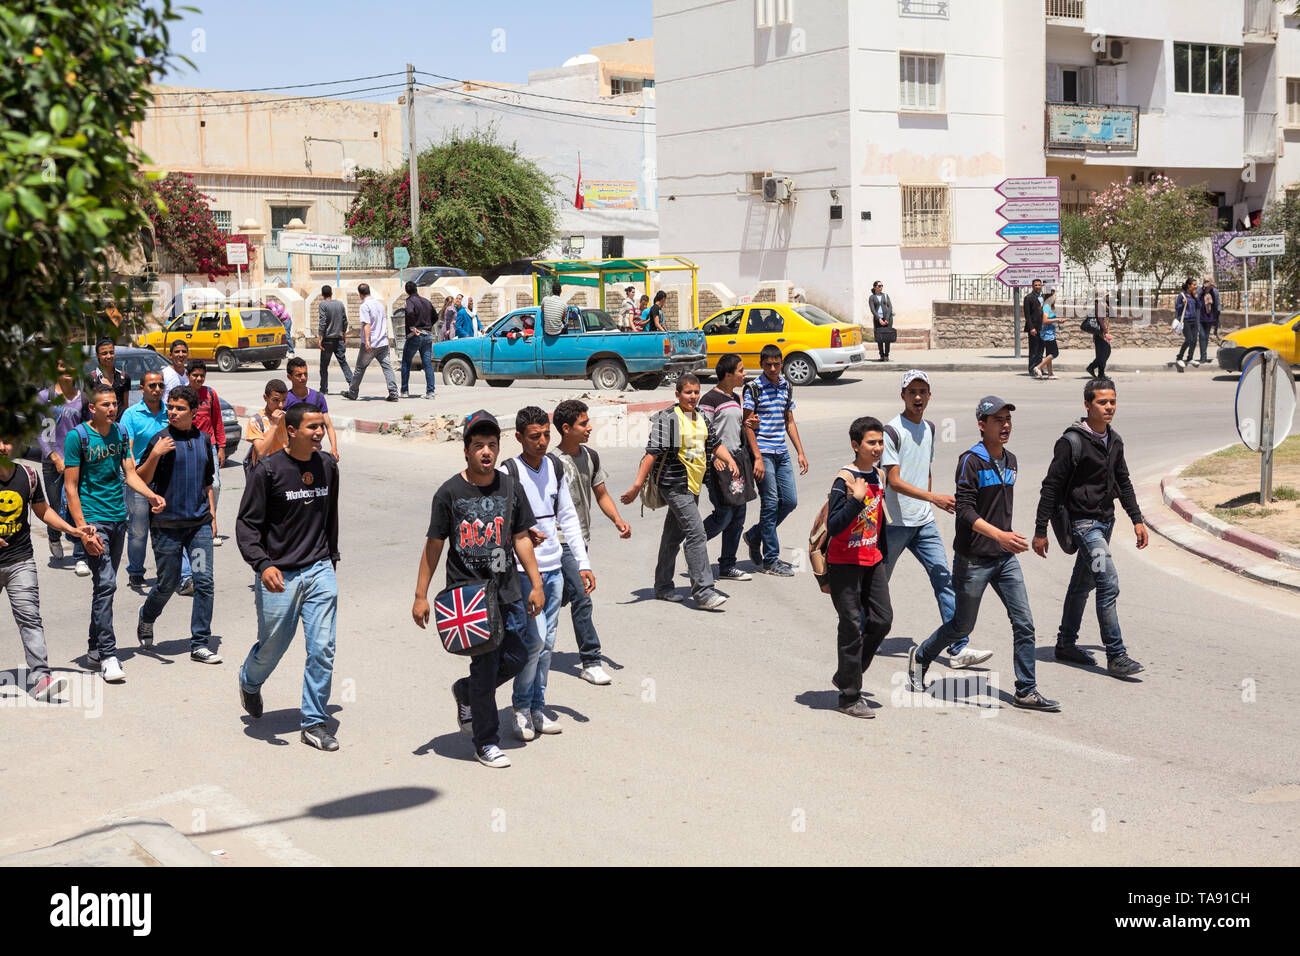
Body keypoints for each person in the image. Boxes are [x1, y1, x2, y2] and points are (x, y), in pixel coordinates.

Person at [906, 396, 1061, 712]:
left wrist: (1006, 540)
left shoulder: (1012, 460)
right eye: (998, 420)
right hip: (973, 559)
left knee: (1024, 622)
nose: (1005, 425)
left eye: (1008, 419)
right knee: (962, 626)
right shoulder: (970, 461)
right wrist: (1000, 535)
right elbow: (963, 510)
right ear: (982, 425)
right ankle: (922, 656)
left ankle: (1026, 690)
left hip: (1004, 559)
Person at [412, 410, 545, 769]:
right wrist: (421, 595)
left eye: (491, 445)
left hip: (507, 590)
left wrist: (535, 583)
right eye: (478, 446)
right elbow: (435, 544)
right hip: (469, 597)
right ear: (466, 451)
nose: (486, 451)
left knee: (519, 655)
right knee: (485, 667)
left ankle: (467, 692)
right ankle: (485, 741)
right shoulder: (449, 493)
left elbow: (520, 537)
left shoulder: (510, 487)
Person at [236, 404, 342, 751]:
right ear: (292, 431)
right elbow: (247, 525)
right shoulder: (267, 471)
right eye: (312, 427)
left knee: (322, 648)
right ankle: (250, 681)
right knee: (273, 646)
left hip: (319, 568)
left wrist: (331, 557)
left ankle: (313, 722)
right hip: (279, 574)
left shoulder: (327, 466)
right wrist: (263, 564)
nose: (319, 433)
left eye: (321, 427)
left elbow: (330, 518)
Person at [1032, 377, 1147, 678]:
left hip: (1106, 522)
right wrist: (1040, 529)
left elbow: (1123, 481)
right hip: (1084, 526)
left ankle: (1065, 643)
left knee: (1082, 585)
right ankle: (1116, 655)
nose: (1109, 407)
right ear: (1087, 405)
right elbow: (1051, 487)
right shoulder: (1072, 442)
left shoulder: (1114, 440)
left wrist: (1137, 519)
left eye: (1112, 402)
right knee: (1108, 582)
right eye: (1102, 402)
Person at [882, 370, 992, 669]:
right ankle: (863, 633)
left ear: (929, 395)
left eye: (923, 392)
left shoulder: (929, 428)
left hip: (923, 521)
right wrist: (934, 498)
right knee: (878, 583)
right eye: (912, 392)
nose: (918, 397)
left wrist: (929, 504)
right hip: (894, 523)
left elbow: (925, 469)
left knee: (944, 579)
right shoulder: (891, 431)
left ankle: (958, 648)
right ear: (902, 395)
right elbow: (894, 482)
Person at [500, 406, 594, 740]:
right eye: (534, 436)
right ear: (519, 437)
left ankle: (538, 707)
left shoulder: (555, 466)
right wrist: (523, 529)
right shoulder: (509, 471)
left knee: (549, 642)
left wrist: (582, 563)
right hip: (527, 573)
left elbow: (567, 516)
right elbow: (504, 520)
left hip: (555, 567)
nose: (542, 442)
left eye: (545, 435)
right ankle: (521, 708)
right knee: (534, 641)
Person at [64, 384, 165, 683]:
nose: (111, 409)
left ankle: (94, 646)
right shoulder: (78, 437)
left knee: (102, 585)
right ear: (92, 408)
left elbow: (130, 473)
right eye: (105, 405)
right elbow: (70, 487)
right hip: (94, 522)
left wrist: (150, 496)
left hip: (118, 518)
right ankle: (109, 653)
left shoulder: (120, 433)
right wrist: (83, 530)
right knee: (107, 583)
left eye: (114, 404)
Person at [621, 374, 738, 609]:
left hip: (693, 484)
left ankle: (663, 586)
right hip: (674, 485)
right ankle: (704, 592)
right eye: (688, 392)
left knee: (672, 537)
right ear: (677, 394)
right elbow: (652, 453)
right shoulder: (669, 420)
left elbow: (714, 444)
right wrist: (636, 486)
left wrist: (730, 460)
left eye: (696, 392)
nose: (693, 396)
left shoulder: (701, 417)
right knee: (696, 534)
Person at [0, 436, 93, 701]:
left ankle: (41, 678)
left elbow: (42, 510)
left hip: (20, 561)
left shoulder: (27, 475)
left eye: (7, 440)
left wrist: (70, 528)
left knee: (30, 618)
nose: (2, 446)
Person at [134, 385, 221, 664]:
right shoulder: (159, 439)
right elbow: (141, 479)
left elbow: (208, 482)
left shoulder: (205, 440)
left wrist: (213, 517)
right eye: (170, 407)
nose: (172, 411)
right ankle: (147, 617)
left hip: (198, 525)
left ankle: (199, 643)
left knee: (204, 582)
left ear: (194, 412)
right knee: (168, 582)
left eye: (179, 408)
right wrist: (155, 454)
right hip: (167, 525)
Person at [553, 399, 631, 686]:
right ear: (566, 428)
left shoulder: (590, 456)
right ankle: (591, 660)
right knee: (582, 598)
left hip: (581, 540)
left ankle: (520, 635)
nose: (589, 428)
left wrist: (618, 520)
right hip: (560, 542)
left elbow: (600, 494)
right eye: (583, 424)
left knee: (556, 597)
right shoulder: (552, 464)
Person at [825, 417, 893, 719]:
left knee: (882, 620)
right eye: (871, 443)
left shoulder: (878, 475)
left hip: (872, 560)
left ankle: (846, 673)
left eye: (880, 442)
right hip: (843, 564)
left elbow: (879, 521)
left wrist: (884, 556)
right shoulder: (844, 479)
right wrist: (855, 499)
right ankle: (849, 695)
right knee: (851, 625)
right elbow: (834, 525)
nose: (877, 448)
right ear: (856, 445)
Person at [741, 344, 809, 576]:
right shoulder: (753, 388)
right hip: (763, 454)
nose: (772, 368)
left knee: (789, 501)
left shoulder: (786, 385)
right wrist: (757, 458)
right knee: (770, 504)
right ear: (761, 364)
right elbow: (748, 424)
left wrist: (800, 451)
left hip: (781, 452)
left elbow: (789, 421)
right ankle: (771, 560)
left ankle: (754, 535)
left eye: (776, 364)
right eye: (768, 364)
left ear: (782, 363)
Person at [700, 353, 758, 582]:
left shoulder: (735, 397)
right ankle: (695, 542)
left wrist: (747, 424)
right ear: (728, 374)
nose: (744, 374)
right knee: (724, 513)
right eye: (741, 370)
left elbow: (732, 427)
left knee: (739, 514)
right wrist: (714, 456)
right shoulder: (709, 399)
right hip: (718, 462)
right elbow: (703, 431)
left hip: (736, 460)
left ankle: (727, 565)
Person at [118, 370, 169, 588]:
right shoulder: (131, 415)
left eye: (160, 385)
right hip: (140, 478)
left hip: (166, 478)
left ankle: (169, 572)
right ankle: (136, 571)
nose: (157, 389)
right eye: (152, 386)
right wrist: (132, 474)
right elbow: (127, 449)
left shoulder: (170, 412)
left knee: (168, 527)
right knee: (139, 529)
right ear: (142, 389)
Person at [37, 363, 86, 570]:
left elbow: (88, 430)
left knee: (77, 505)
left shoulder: (83, 398)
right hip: (52, 462)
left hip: (77, 462)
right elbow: (41, 433)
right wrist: (55, 458)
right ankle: (54, 536)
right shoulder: (44, 397)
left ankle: (80, 553)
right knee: (56, 506)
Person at [186, 359, 226, 550]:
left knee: (215, 486)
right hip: (188, 445)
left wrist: (221, 447)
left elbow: (217, 421)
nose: (199, 378)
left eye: (202, 375)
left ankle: (211, 523)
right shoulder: (182, 395)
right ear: (188, 376)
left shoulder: (210, 394)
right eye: (195, 375)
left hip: (209, 446)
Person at [342, 283, 399, 402]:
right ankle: (393, 393)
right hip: (383, 342)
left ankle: (353, 392)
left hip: (370, 343)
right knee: (387, 367)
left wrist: (367, 340)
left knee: (360, 368)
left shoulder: (364, 306)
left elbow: (367, 324)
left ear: (360, 294)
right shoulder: (379, 304)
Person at [283, 357, 343, 461]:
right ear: (289, 377)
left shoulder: (318, 398)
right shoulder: (285, 400)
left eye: (305, 374)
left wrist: (334, 448)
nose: (303, 378)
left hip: (315, 454)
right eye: (299, 375)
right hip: (293, 455)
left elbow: (328, 426)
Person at [244, 378, 288, 468]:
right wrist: (274, 425)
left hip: (284, 469)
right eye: (276, 400)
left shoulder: (287, 418)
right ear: (265, 398)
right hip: (266, 472)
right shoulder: (256, 421)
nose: (280, 405)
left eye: (283, 400)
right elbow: (261, 452)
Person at [316, 285, 352, 395]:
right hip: (339, 339)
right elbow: (345, 320)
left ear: (322, 294)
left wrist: (319, 337)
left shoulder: (323, 305)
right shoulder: (340, 304)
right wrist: (344, 333)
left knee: (324, 366)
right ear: (331, 293)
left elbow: (323, 321)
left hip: (327, 340)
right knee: (343, 362)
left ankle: (324, 389)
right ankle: (352, 384)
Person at [87, 338, 130, 421]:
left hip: (118, 427)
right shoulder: (90, 379)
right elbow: (89, 408)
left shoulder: (124, 377)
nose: (109, 356)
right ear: (97, 355)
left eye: (111, 352)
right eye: (104, 353)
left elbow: (125, 407)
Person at [1174, 277, 1201, 371]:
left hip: (1194, 320)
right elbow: (1177, 307)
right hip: (1185, 320)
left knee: (1194, 340)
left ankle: (1190, 358)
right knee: (1189, 339)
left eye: (1196, 285)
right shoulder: (1182, 295)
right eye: (1194, 285)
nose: (1195, 286)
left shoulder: (1194, 295)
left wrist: (1196, 297)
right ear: (1189, 285)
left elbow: (1199, 306)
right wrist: (1182, 304)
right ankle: (1179, 358)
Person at [1033, 288, 1060, 380]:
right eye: (1054, 296)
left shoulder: (1048, 306)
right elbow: (1045, 320)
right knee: (1055, 353)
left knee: (1049, 353)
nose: (1055, 297)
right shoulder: (1047, 307)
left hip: (1048, 332)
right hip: (1048, 334)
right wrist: (1057, 320)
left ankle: (1050, 373)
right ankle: (1038, 367)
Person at [1085, 288, 1112, 379]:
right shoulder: (1099, 305)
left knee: (1105, 353)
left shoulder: (1104, 304)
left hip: (1103, 332)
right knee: (1104, 353)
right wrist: (1105, 332)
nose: (1109, 296)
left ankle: (1100, 373)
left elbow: (1112, 315)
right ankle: (1092, 368)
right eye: (1107, 295)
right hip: (1100, 333)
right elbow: (1100, 319)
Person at [868, 281, 894, 362]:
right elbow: (872, 309)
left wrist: (886, 319)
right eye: (879, 286)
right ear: (875, 287)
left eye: (882, 285)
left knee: (887, 337)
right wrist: (879, 318)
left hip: (888, 319)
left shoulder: (885, 296)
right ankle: (881, 355)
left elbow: (890, 307)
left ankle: (886, 355)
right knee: (879, 338)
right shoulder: (872, 297)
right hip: (877, 320)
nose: (881, 287)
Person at [1023, 278, 1044, 376]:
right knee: (1033, 350)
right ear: (1032, 286)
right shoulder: (1028, 298)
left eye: (1039, 285)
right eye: (1035, 285)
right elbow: (1027, 315)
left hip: (1043, 327)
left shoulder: (1044, 297)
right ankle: (1032, 369)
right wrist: (1031, 328)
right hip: (1034, 328)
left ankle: (1039, 368)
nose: (1037, 287)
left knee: (1041, 350)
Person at [161, 340, 188, 406]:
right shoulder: (163, 375)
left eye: (184, 352)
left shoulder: (190, 375)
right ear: (171, 355)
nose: (181, 355)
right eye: (177, 352)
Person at [1200, 276, 1220, 364]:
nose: (1206, 282)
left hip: (1209, 317)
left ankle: (1204, 357)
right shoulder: (1200, 290)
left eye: (1207, 281)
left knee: (1206, 336)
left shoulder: (1214, 291)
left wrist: (1217, 315)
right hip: (1200, 317)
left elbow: (1217, 304)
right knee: (1202, 336)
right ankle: (1203, 357)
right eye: (1204, 281)